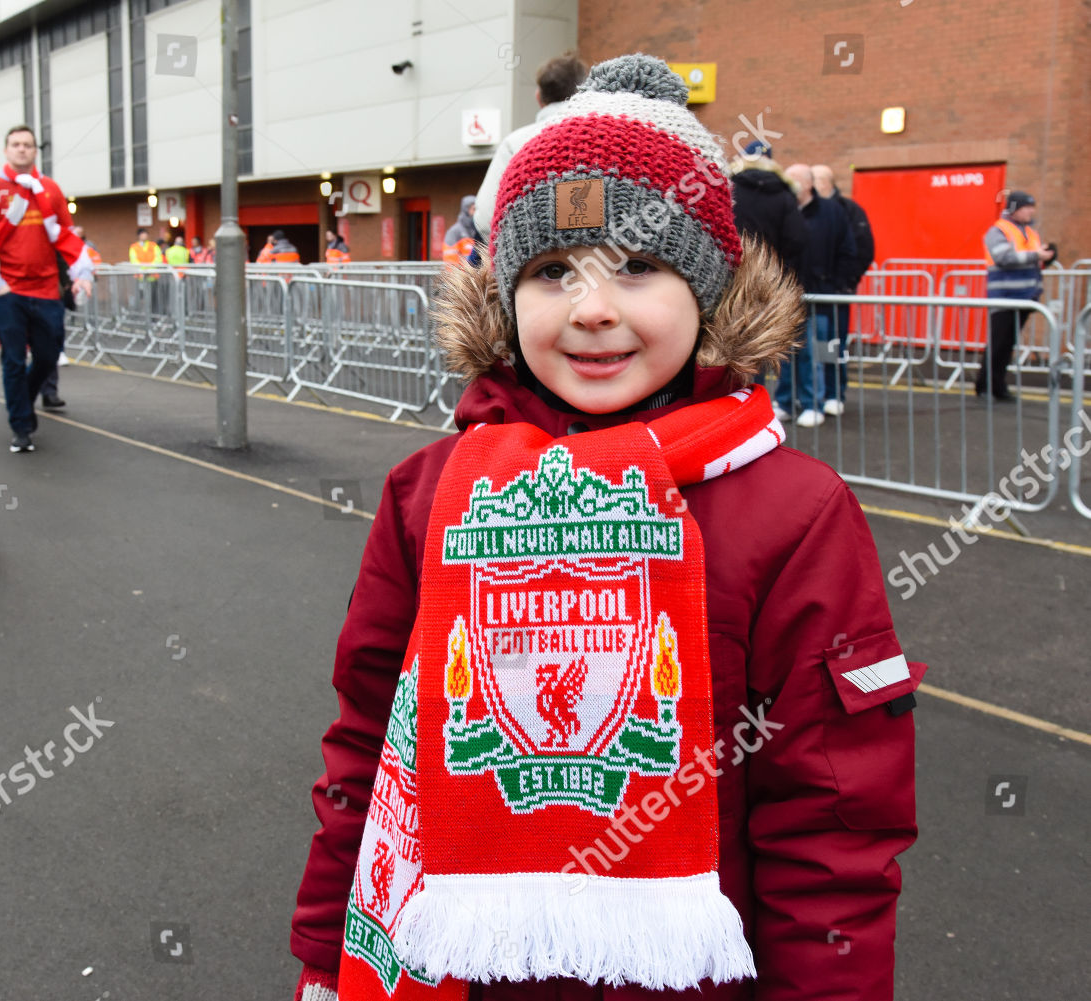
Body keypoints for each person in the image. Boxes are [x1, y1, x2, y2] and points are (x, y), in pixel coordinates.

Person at [290, 55, 919, 1001]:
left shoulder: (794, 512)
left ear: (706, 287)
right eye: (550, 272)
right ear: (506, 298)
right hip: (453, 971)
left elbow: (830, 821)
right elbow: (367, 747)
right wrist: (319, 957)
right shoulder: (429, 493)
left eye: (637, 266)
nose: (592, 309)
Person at [0, 125, 94, 441]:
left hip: (45, 289)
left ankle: (23, 403)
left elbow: (66, 234)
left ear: (35, 150)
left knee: (46, 355)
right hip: (7, 289)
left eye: (28, 145)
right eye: (16, 144)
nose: (22, 149)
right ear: (6, 149)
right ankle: (22, 427)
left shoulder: (50, 188)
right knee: (13, 358)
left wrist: (82, 273)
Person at [772, 163, 858, 427]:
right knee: (786, 353)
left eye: (795, 180)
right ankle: (786, 400)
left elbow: (848, 250)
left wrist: (836, 284)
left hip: (819, 295)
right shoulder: (784, 210)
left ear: (808, 183)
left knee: (816, 353)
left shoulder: (832, 212)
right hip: (789, 296)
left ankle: (814, 402)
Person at [472, 51, 589, 236]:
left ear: (538, 96)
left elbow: (487, 219)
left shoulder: (516, 143)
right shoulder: (605, 140)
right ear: (584, 93)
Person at [978, 190, 1052, 401]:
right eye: (1026, 207)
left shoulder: (1030, 232)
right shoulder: (998, 230)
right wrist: (1036, 255)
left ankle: (999, 386)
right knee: (998, 342)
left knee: (1008, 344)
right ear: (1014, 208)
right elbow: (1003, 257)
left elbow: (1033, 259)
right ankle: (985, 386)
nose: (1031, 211)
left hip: (1025, 296)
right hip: (1004, 295)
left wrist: (1047, 256)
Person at [813, 165, 874, 414]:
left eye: (815, 180)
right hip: (813, 290)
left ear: (827, 183)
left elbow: (862, 250)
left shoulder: (848, 211)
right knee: (810, 347)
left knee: (832, 343)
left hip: (835, 292)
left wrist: (844, 283)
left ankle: (834, 392)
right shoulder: (806, 210)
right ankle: (811, 395)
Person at [730, 141, 805, 280]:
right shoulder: (785, 194)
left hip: (731, 273)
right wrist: (783, 276)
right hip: (770, 278)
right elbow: (795, 239)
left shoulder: (729, 187)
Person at [441, 195, 482, 267]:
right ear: (466, 210)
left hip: (476, 276)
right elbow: (450, 260)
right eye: (473, 209)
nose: (475, 212)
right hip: (462, 276)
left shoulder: (478, 230)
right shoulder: (455, 232)